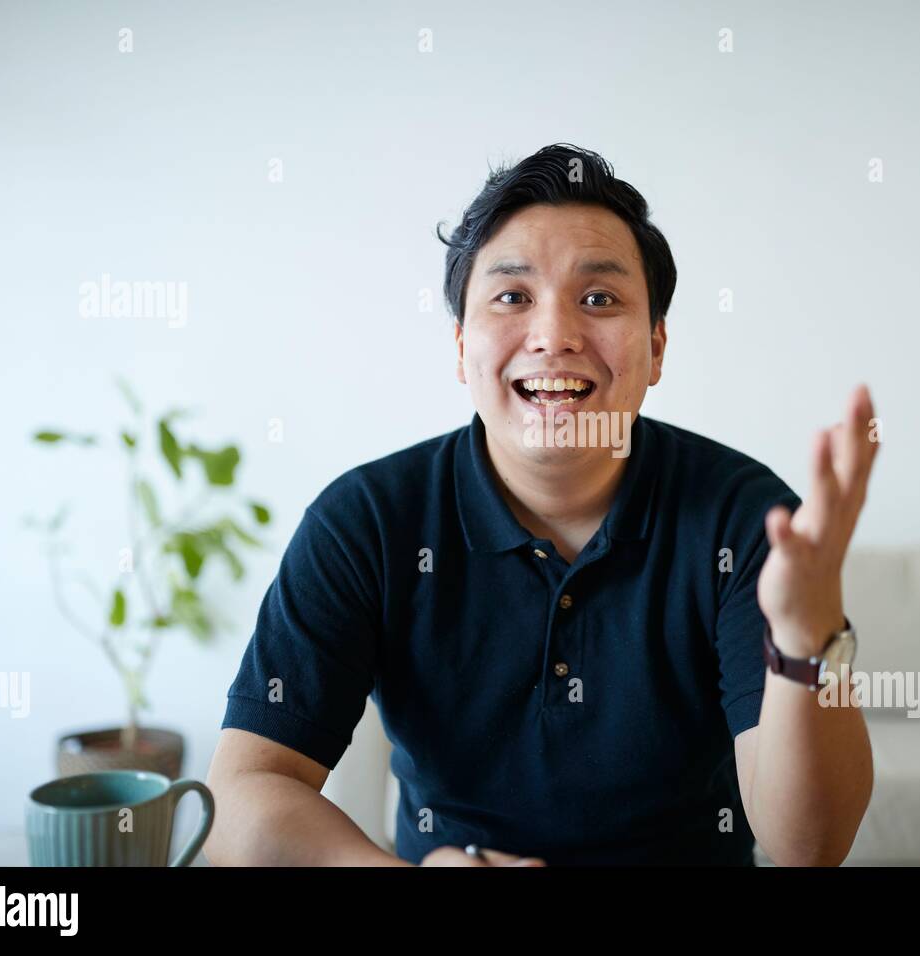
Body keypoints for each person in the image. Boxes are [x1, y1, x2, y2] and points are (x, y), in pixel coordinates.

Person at [204, 143, 879, 867]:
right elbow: (242, 794)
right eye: (512, 297)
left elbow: (811, 849)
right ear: (462, 348)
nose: (554, 336)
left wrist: (805, 642)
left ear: (655, 347)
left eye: (598, 299)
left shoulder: (744, 521)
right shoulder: (365, 522)